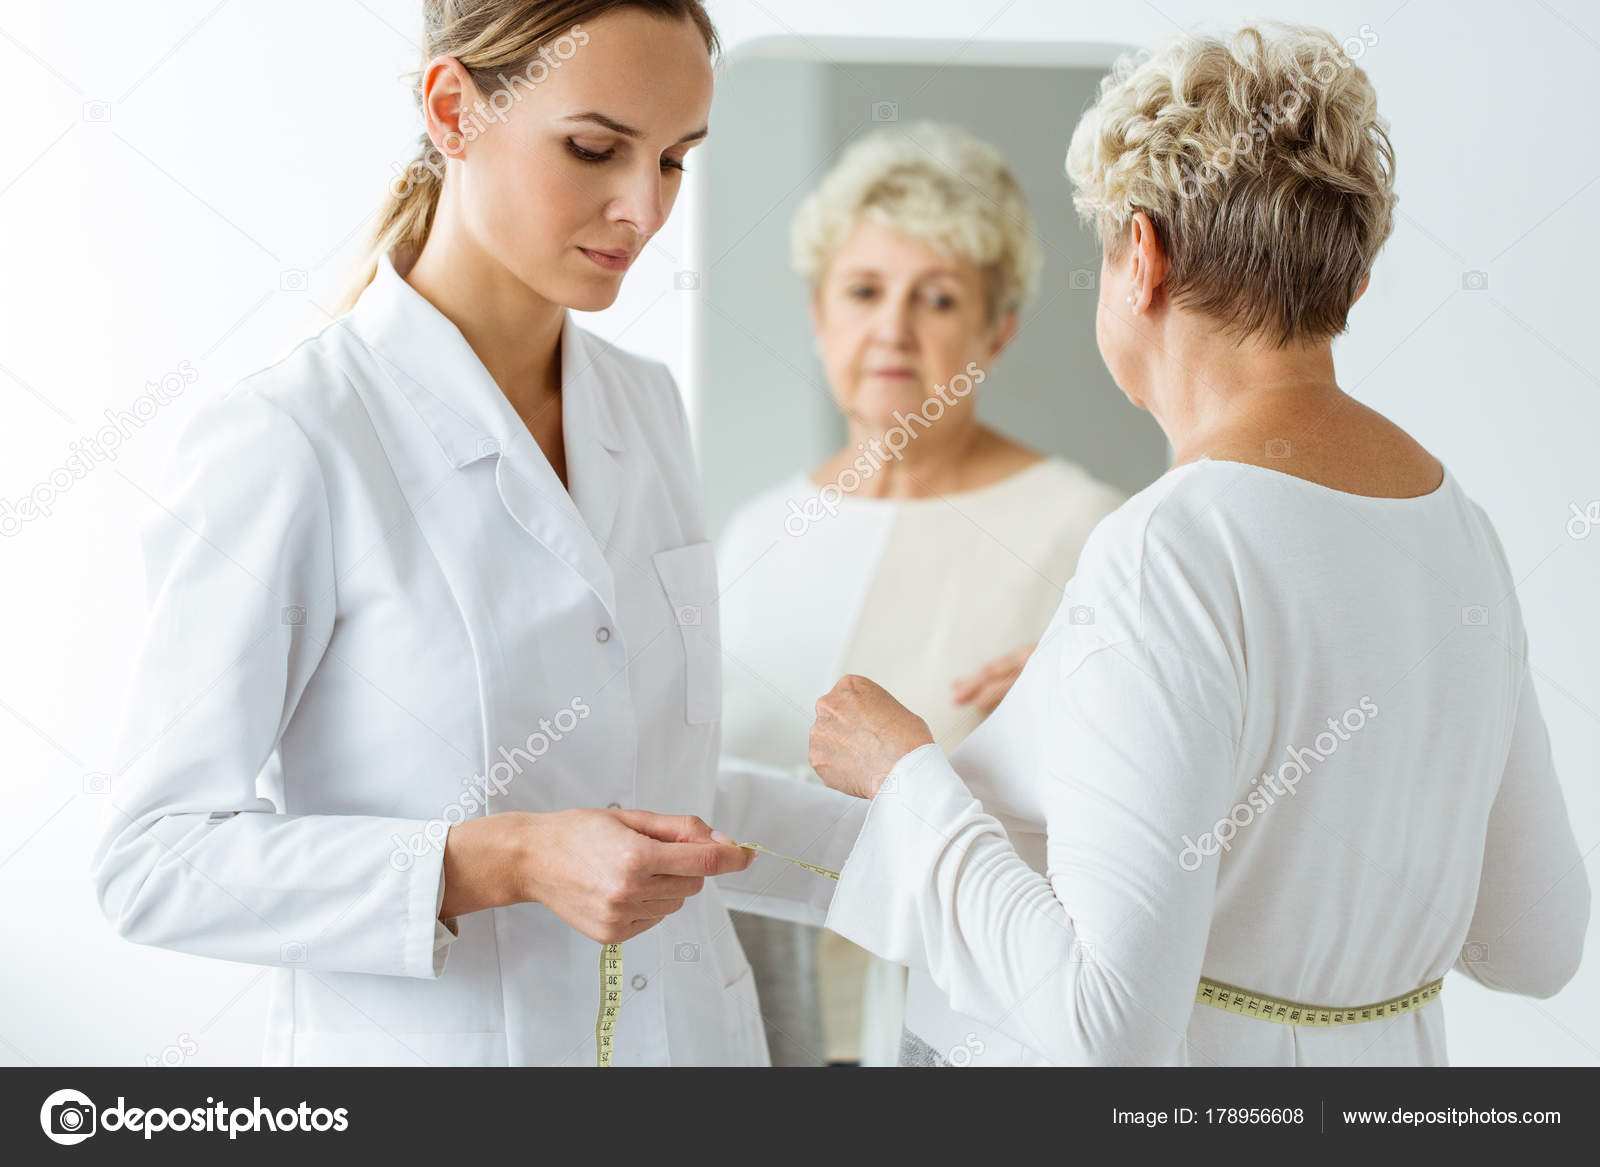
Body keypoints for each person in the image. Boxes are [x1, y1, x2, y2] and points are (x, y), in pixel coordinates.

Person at [91, 0, 865, 1067]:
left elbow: (663, 792)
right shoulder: (292, 438)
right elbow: (154, 863)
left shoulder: (643, 406)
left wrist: (957, 850)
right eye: (594, 148)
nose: (642, 207)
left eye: (676, 160)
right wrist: (499, 860)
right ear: (452, 109)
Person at [806, 24, 1590, 1065]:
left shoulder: (1165, 550)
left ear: (1141, 257)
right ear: (1350, 285)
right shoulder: (1460, 531)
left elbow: (1104, 1037)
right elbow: (1534, 946)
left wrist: (904, 774)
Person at [718, 122, 1126, 1065]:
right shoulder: (756, 531)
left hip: (967, 1024)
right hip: (755, 1009)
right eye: (863, 291)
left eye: (937, 298)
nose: (893, 328)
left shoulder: (1083, 526)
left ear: (998, 330)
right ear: (820, 315)